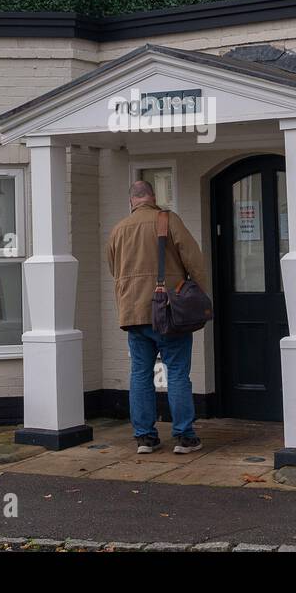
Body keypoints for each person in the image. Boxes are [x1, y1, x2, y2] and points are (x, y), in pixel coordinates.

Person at [106, 180, 209, 454]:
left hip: (133, 313)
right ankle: (185, 437)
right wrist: (202, 296)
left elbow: (113, 269)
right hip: (168, 311)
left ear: (132, 201)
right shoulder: (167, 219)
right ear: (153, 197)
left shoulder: (118, 229)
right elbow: (194, 260)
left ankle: (145, 438)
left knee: (140, 374)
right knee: (176, 373)